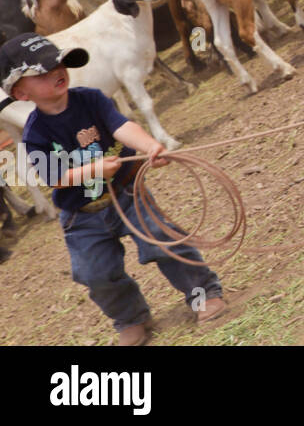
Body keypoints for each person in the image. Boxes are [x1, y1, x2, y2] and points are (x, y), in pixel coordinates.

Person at [2, 33, 226, 345]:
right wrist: (93, 169)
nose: (58, 71)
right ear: (21, 92)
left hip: (126, 193)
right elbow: (54, 176)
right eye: (43, 71)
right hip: (82, 215)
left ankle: (203, 293)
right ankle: (131, 320)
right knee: (96, 274)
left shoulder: (91, 99)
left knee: (163, 239)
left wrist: (149, 146)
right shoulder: (35, 133)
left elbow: (122, 126)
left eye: (61, 63)